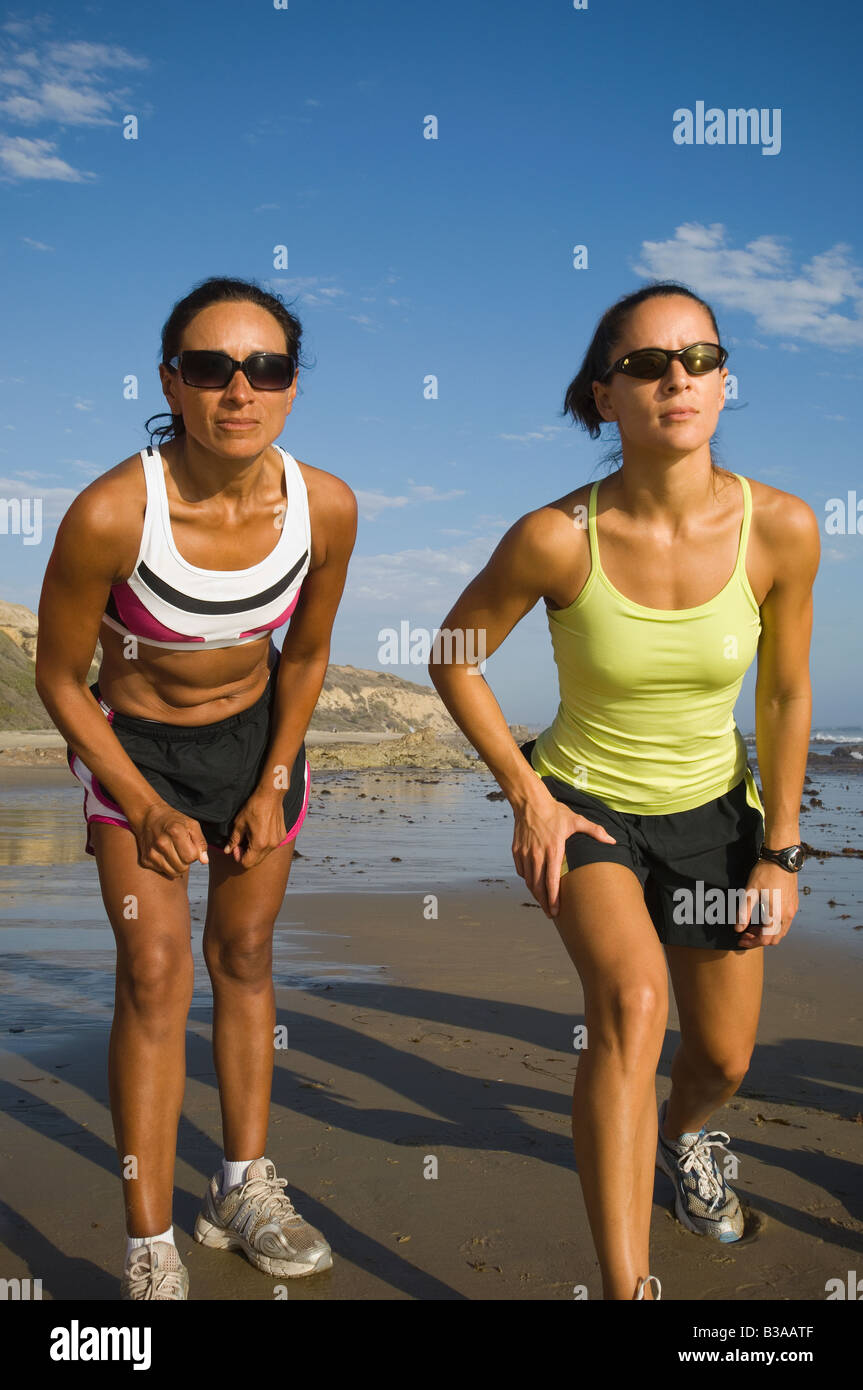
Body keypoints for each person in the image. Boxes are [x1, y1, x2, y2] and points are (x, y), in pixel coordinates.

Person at [428, 281, 819, 1300]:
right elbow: (454, 655)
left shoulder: (779, 530)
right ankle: (623, 1288)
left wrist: (777, 850)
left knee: (722, 1060)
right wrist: (526, 794)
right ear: (602, 396)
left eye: (697, 356)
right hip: (586, 809)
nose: (675, 378)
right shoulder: (555, 535)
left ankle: (684, 1137)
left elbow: (781, 692)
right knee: (632, 1007)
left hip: (713, 821)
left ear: (725, 380)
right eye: (644, 363)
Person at [35, 276, 357, 1300]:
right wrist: (142, 801)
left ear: (291, 388)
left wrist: (270, 781)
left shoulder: (327, 508)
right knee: (155, 971)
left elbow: (304, 659)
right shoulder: (111, 511)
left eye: (263, 369)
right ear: (171, 379)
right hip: (138, 757)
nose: (238, 389)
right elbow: (57, 675)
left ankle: (239, 1189)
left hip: (257, 747)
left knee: (246, 953)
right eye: (211, 367)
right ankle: (148, 1242)